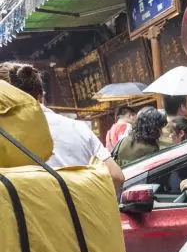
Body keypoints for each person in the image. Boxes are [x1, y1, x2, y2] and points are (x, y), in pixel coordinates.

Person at [0, 62, 124, 192]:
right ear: (42, 95)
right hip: (87, 209)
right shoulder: (77, 127)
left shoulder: (6, 137)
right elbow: (116, 176)